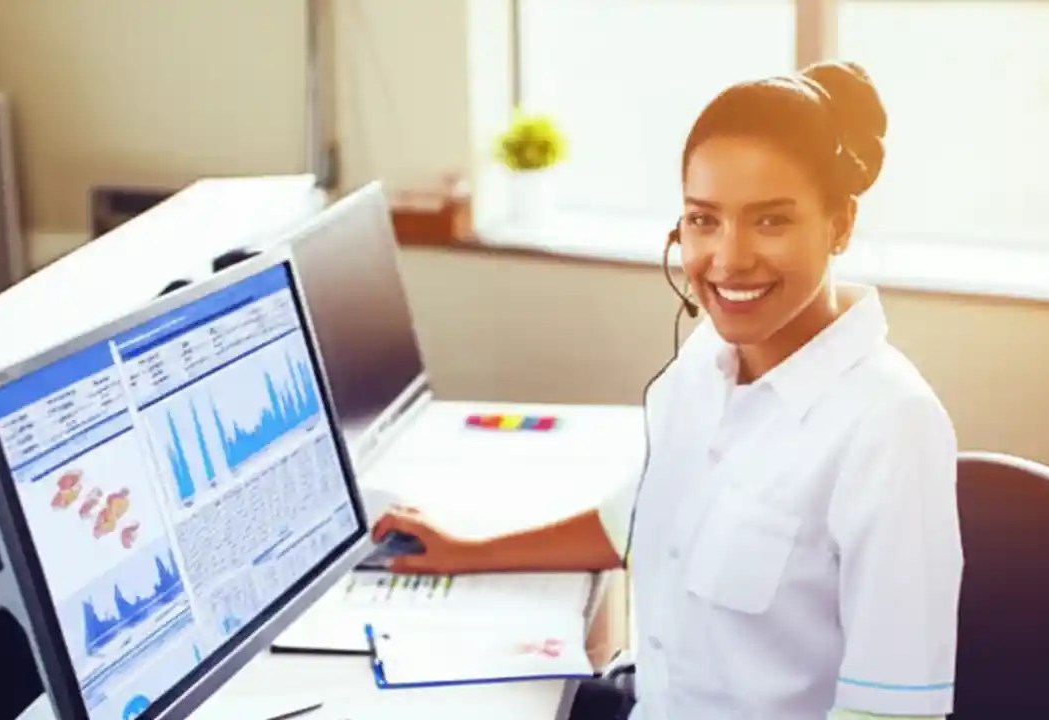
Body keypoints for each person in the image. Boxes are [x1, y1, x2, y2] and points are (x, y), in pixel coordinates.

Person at [373, 59, 964, 720]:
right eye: (703, 220)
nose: (729, 258)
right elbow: (638, 518)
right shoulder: (708, 357)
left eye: (770, 221)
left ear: (840, 224)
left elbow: (895, 714)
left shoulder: (891, 425)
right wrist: (472, 552)